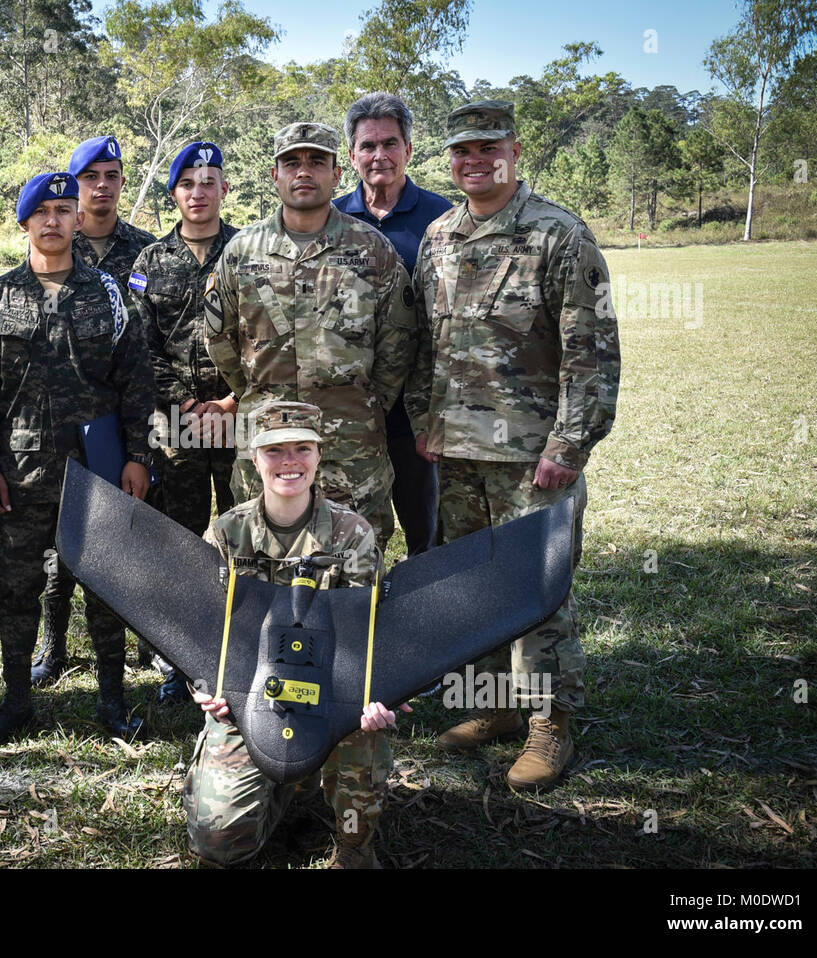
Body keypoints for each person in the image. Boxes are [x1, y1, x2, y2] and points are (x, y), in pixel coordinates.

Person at [405, 100, 620, 789]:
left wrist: (570, 443)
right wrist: (425, 420)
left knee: (539, 590)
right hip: (459, 451)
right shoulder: (438, 235)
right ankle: (492, 707)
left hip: (534, 457)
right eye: (461, 150)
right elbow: (422, 346)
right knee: (473, 587)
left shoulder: (560, 233)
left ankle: (549, 724)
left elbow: (592, 352)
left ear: (514, 151)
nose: (473, 161)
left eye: (486, 147)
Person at [0, 171, 155, 747]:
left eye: (65, 210)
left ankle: (113, 702)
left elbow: (136, 382)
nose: (54, 221)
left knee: (106, 584)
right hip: (19, 475)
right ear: (24, 222)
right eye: (42, 211)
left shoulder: (110, 295)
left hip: (95, 467)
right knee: (15, 588)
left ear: (76, 220)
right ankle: (15, 699)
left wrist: (139, 456)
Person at [183, 401, 409, 869]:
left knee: (362, 740)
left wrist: (375, 694)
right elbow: (203, 630)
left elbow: (364, 632)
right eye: (275, 450)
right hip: (250, 695)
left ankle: (353, 845)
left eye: (302, 448)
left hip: (331, 693)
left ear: (319, 455)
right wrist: (205, 688)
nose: (290, 461)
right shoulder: (227, 533)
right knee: (217, 843)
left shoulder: (353, 534)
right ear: (254, 458)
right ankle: (287, 788)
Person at [204, 122, 418, 556]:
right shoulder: (242, 252)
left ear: (338, 174)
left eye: (317, 162)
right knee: (258, 562)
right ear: (274, 174)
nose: (304, 172)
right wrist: (255, 394)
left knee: (355, 564)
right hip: (266, 442)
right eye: (292, 162)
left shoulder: (371, 250)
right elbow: (219, 338)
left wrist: (362, 403)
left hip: (351, 444)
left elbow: (398, 342)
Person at [32, 134, 158, 686]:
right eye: (90, 178)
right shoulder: (55, 240)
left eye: (111, 175)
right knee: (61, 539)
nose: (101, 187)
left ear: (122, 182)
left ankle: (145, 644)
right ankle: (53, 643)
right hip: (64, 421)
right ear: (75, 184)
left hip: (125, 413)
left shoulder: (147, 251)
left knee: (130, 535)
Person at [127, 141, 239, 703]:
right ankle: (186, 661)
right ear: (174, 194)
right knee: (184, 542)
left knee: (249, 538)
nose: (199, 192)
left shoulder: (248, 250)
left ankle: (244, 653)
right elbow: (139, 344)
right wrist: (183, 406)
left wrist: (232, 402)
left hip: (241, 421)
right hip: (177, 427)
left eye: (209, 181)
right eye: (188, 184)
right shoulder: (149, 263)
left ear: (224, 188)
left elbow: (266, 336)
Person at [333, 92, 452, 556]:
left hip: (418, 408)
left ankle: (432, 616)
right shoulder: (333, 218)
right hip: (351, 409)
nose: (378, 155)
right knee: (353, 534)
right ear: (351, 156)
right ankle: (364, 619)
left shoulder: (441, 218)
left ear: (408, 149)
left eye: (389, 143)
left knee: (428, 529)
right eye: (367, 146)